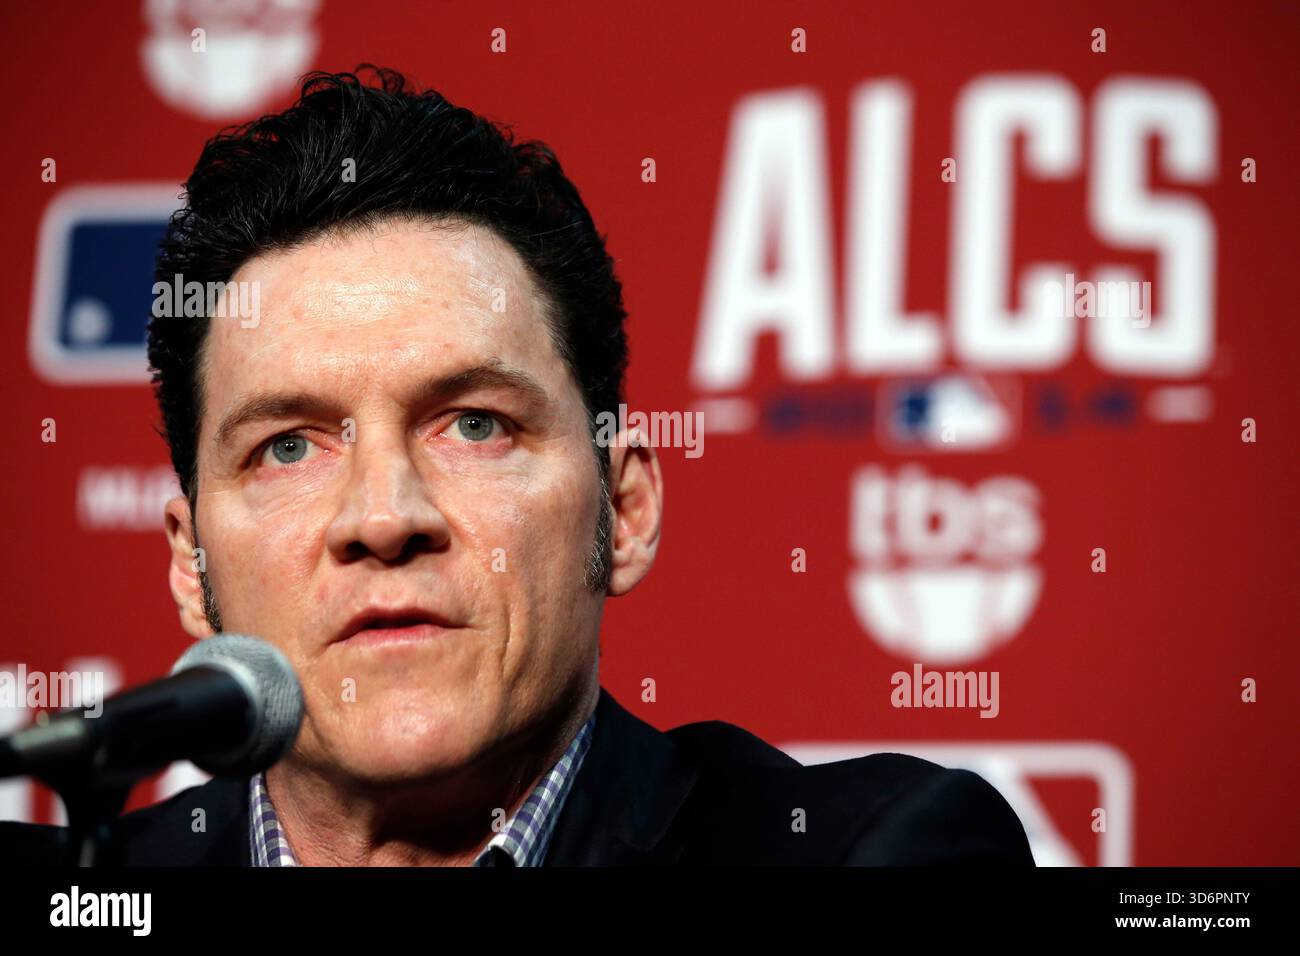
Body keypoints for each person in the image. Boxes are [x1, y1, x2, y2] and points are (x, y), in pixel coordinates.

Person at [1, 67, 1032, 866]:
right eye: (287, 445)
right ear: (190, 563)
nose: (382, 515)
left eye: (475, 425)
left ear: (622, 507)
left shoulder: (870, 853)